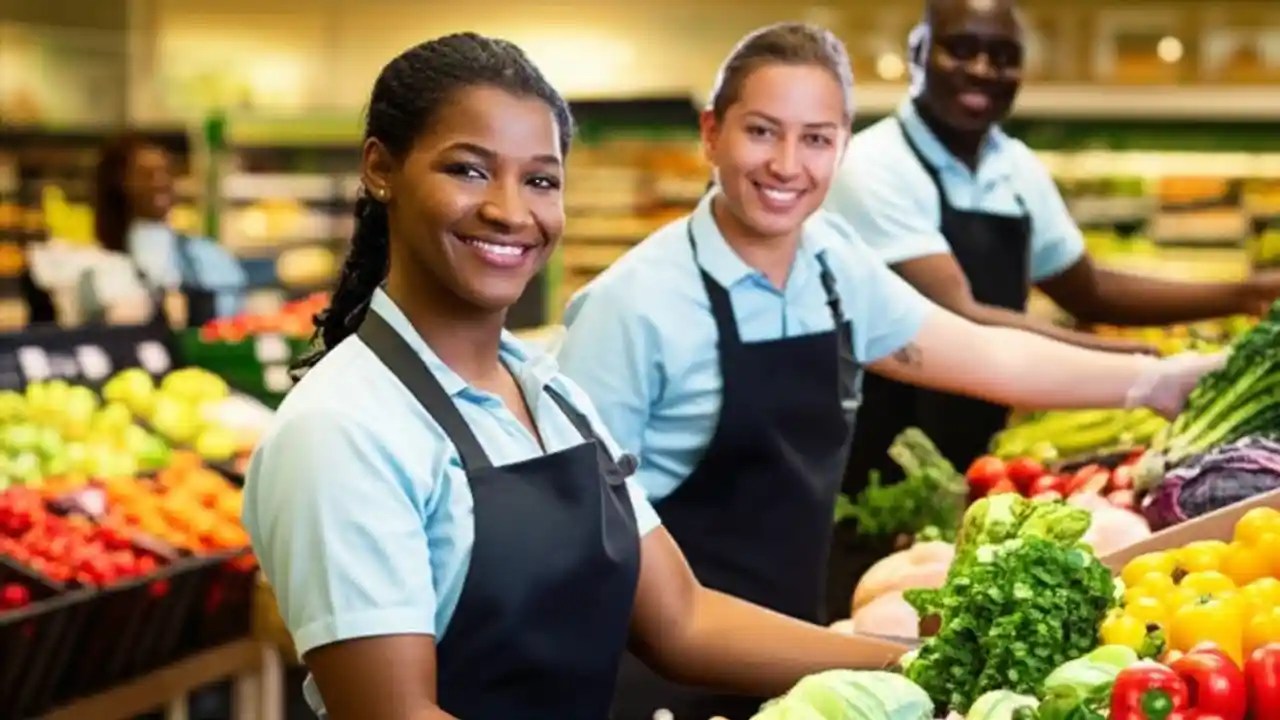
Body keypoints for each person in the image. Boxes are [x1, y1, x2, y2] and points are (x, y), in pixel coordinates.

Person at [555, 21, 1225, 720]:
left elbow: (986, 353)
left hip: (786, 665)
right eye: (761, 131)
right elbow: (578, 552)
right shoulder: (630, 308)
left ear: (842, 147)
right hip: (647, 676)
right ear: (711, 133)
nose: (787, 163)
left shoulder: (830, 267)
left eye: (815, 138)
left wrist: (1158, 382)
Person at [243, 33, 923, 720]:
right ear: (381, 169)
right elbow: (394, 714)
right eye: (469, 170)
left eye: (540, 180)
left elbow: (682, 620)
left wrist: (915, 667)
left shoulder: (553, 397)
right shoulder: (343, 429)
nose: (511, 210)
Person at [820, 0, 1280, 614]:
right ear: (917, 54)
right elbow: (962, 317)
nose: (983, 69)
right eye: (963, 48)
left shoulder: (1013, 166)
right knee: (869, 607)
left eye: (1005, 57)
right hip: (875, 453)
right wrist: (1148, 368)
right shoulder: (872, 166)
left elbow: (1085, 287)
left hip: (977, 439)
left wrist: (1244, 293)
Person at [82, 133, 247, 327]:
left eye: (166, 173)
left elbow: (233, 316)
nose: (160, 183)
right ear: (118, 184)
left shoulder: (208, 256)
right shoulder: (102, 268)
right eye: (145, 175)